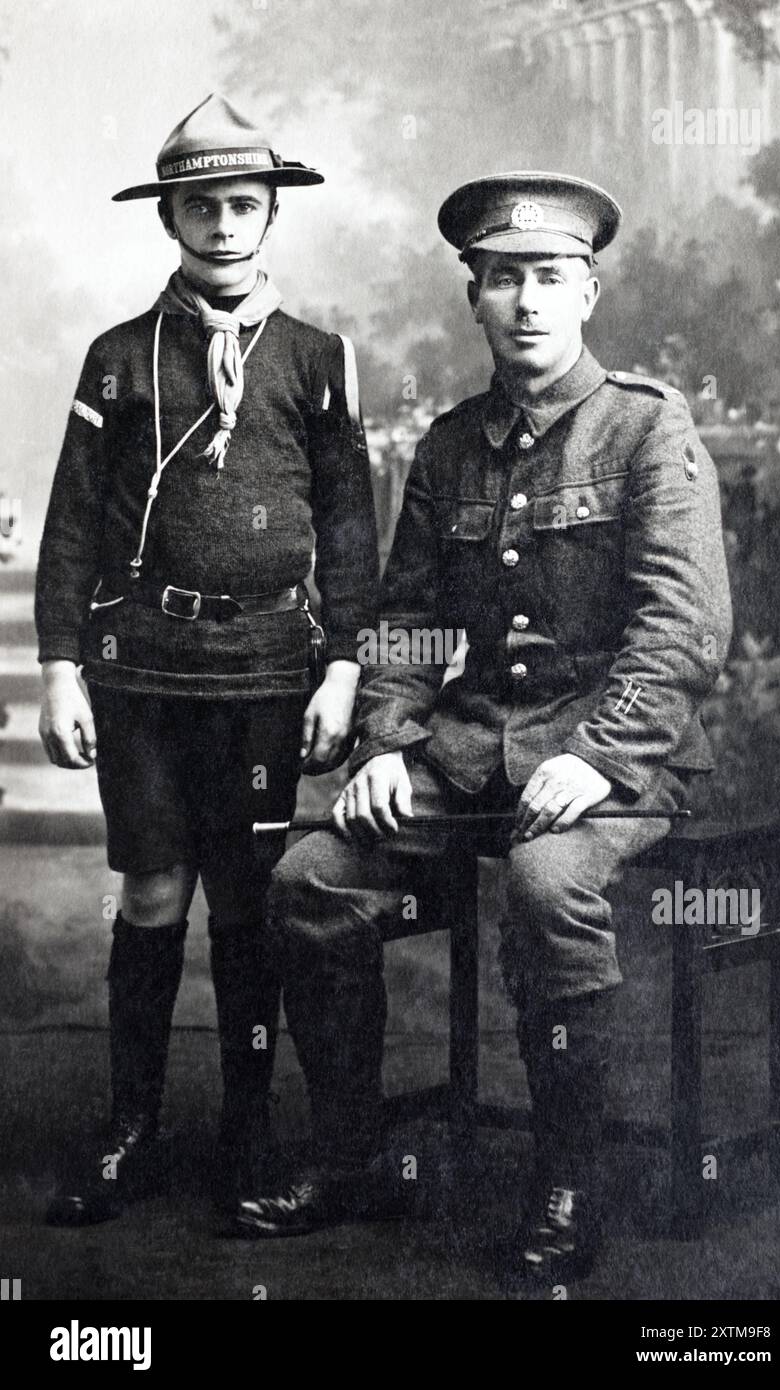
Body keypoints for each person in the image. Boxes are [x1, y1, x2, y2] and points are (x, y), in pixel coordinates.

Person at [233, 172, 733, 1282]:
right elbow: (406, 618)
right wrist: (386, 744)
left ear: (588, 291)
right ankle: (350, 1154)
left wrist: (596, 759)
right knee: (311, 876)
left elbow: (681, 630)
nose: (525, 302)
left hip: (616, 757)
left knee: (550, 884)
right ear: (474, 297)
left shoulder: (649, 428)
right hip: (465, 754)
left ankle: (567, 1181)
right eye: (501, 279)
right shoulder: (451, 446)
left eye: (548, 277)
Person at [35, 94, 379, 1226]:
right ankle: (127, 1129)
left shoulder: (318, 359)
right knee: (151, 890)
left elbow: (350, 521)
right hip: (143, 670)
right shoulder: (119, 359)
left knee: (248, 903)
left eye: (242, 203)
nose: (222, 224)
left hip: (271, 670)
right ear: (169, 219)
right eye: (200, 206)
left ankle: (246, 1131)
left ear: (270, 212)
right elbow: (74, 524)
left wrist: (342, 668)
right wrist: (59, 665)